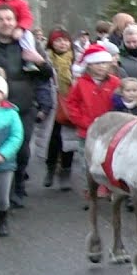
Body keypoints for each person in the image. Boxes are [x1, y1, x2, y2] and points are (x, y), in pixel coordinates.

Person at [0, 5, 53, 207]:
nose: (5, 23)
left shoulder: (27, 43)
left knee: (22, 148)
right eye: (0, 19)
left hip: (23, 104)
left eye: (9, 19)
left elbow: (47, 74)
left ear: (16, 21)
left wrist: (40, 61)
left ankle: (17, 187)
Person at [0, 70, 23, 244]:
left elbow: (16, 137)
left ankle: (2, 218)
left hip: (5, 163)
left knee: (3, 199)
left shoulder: (11, 114)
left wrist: (3, 155)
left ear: (3, 94)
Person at [44, 29, 77, 189]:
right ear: (51, 43)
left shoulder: (76, 61)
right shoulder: (45, 59)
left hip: (70, 103)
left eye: (65, 40)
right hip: (52, 103)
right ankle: (50, 169)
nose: (62, 43)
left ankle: (66, 172)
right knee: (53, 138)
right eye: (58, 40)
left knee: (69, 140)